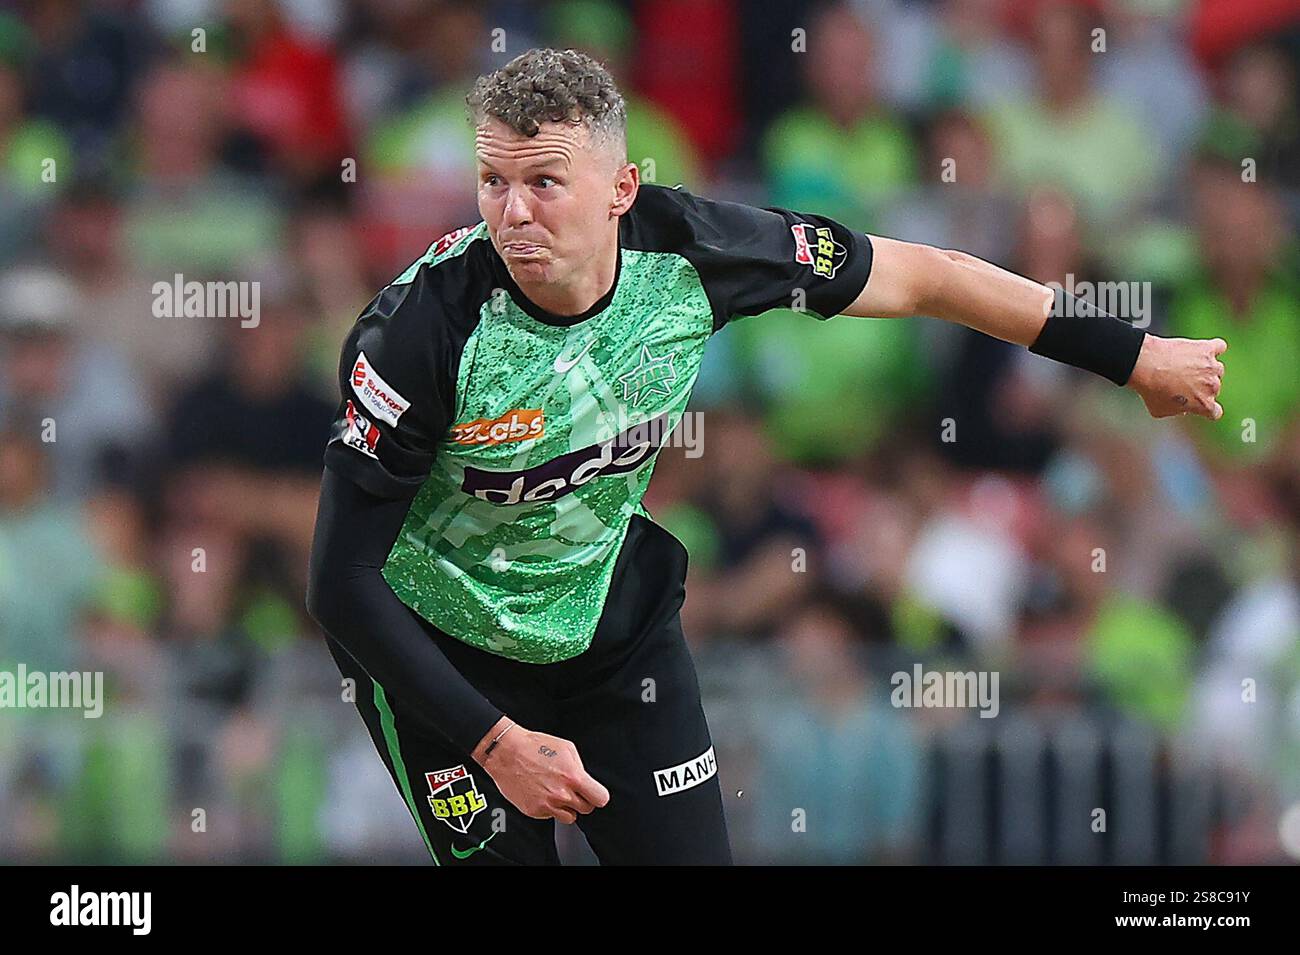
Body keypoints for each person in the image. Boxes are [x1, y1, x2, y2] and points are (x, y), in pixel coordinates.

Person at [305, 47, 1226, 866]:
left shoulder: (699, 251)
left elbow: (929, 277)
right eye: (492, 181)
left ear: (622, 189)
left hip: (608, 637)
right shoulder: (419, 332)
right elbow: (341, 582)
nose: (513, 213)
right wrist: (496, 741)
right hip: (446, 662)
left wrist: (1135, 356)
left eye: (544, 181)